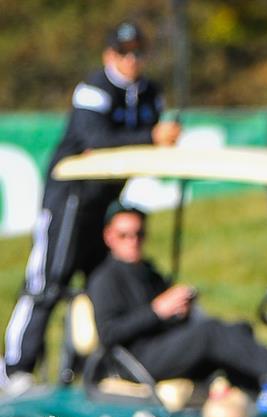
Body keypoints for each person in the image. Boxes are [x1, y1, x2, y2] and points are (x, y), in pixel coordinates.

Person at [3, 20, 180, 395]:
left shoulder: (151, 94)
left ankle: (91, 368)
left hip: (105, 203)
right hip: (70, 199)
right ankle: (16, 368)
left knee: (107, 283)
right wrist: (150, 137)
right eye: (123, 52)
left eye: (137, 52)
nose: (131, 60)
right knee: (48, 282)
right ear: (109, 55)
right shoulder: (94, 89)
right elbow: (96, 139)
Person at [88, 204, 267, 396]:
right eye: (124, 235)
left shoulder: (150, 273)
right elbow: (109, 333)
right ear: (109, 237)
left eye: (139, 234)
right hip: (135, 360)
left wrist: (180, 311)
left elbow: (163, 319)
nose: (133, 241)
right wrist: (156, 311)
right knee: (209, 333)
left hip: (164, 347)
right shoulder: (105, 279)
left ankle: (260, 398)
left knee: (239, 329)